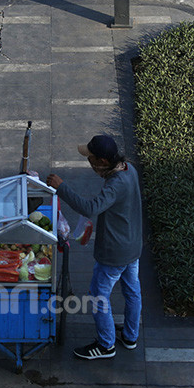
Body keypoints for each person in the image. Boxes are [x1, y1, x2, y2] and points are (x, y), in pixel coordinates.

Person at [46, 134, 143, 360]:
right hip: (133, 246)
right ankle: (130, 336)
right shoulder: (128, 170)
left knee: (99, 295)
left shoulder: (115, 185)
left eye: (90, 159)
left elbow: (90, 208)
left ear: (102, 161)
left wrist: (62, 188)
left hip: (115, 253)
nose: (88, 162)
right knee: (132, 291)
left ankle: (105, 344)